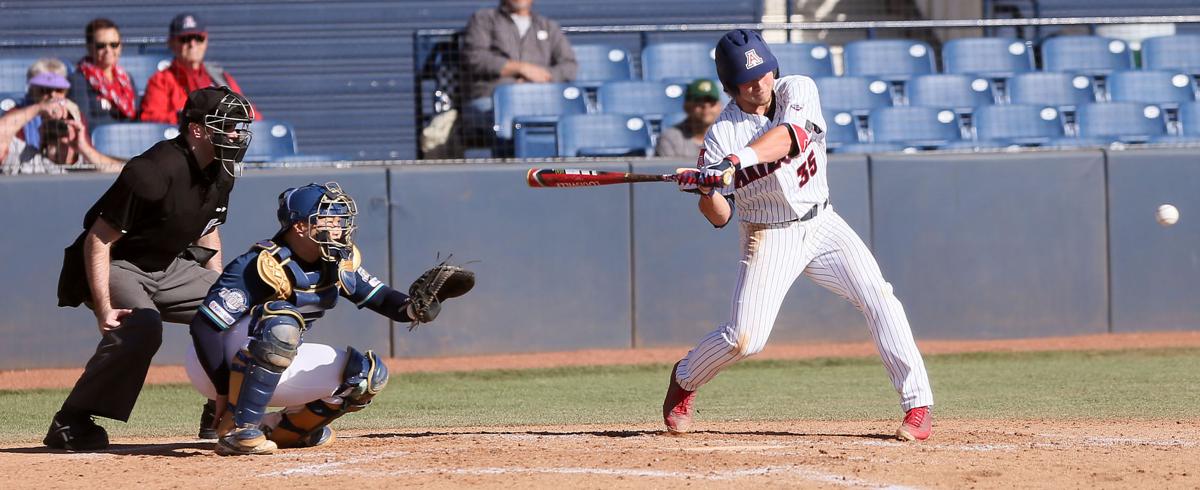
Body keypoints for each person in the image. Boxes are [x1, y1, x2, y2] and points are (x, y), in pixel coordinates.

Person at [663, 30, 935, 441]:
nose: (759, 84)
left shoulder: (798, 88)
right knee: (745, 339)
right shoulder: (721, 135)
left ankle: (917, 404)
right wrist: (706, 189)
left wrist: (734, 163)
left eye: (764, 72)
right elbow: (718, 217)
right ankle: (685, 378)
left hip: (823, 223)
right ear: (730, 85)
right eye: (747, 80)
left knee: (879, 296)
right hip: (767, 235)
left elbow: (790, 137)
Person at [184, 182, 473, 455]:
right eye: (329, 220)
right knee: (281, 326)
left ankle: (287, 430)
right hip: (214, 363)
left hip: (270, 360)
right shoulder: (260, 264)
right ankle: (238, 428)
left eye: (340, 220)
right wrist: (221, 392)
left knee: (365, 375)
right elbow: (205, 327)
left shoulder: (336, 261)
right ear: (300, 226)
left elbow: (381, 298)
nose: (339, 227)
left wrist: (415, 308)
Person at [45, 87, 255, 451]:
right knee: (143, 326)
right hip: (117, 263)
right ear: (197, 129)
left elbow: (208, 233)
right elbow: (98, 239)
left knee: (240, 305)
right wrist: (104, 309)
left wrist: (220, 289)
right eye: (227, 125)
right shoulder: (153, 170)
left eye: (239, 127)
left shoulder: (222, 170)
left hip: (169, 266)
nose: (236, 134)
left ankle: (219, 410)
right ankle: (71, 421)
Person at [461, 0, 577, 136]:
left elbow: (569, 66)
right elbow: (476, 58)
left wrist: (539, 79)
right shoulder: (484, 19)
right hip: (493, 99)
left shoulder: (548, 26)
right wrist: (521, 68)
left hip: (540, 98)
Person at [0, 62, 123, 174]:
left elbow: (126, 175)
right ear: (41, 128)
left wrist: (85, 149)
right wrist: (39, 109)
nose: (52, 95)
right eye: (44, 90)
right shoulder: (27, 159)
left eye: (65, 121)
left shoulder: (89, 163)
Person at [140, 13, 259, 125]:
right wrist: (183, 117)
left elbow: (249, 113)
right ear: (171, 43)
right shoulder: (161, 80)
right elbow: (150, 119)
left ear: (206, 41)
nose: (192, 44)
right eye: (184, 39)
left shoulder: (219, 77)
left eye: (198, 38)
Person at [68, 18, 138, 126]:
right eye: (101, 46)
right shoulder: (78, 80)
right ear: (89, 48)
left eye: (114, 44)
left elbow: (136, 118)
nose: (108, 50)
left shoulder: (127, 79)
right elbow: (83, 122)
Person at [655, 78, 723, 158]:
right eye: (699, 101)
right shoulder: (670, 139)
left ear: (720, 106)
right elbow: (667, 169)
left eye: (712, 102)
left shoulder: (729, 138)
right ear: (687, 106)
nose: (706, 106)